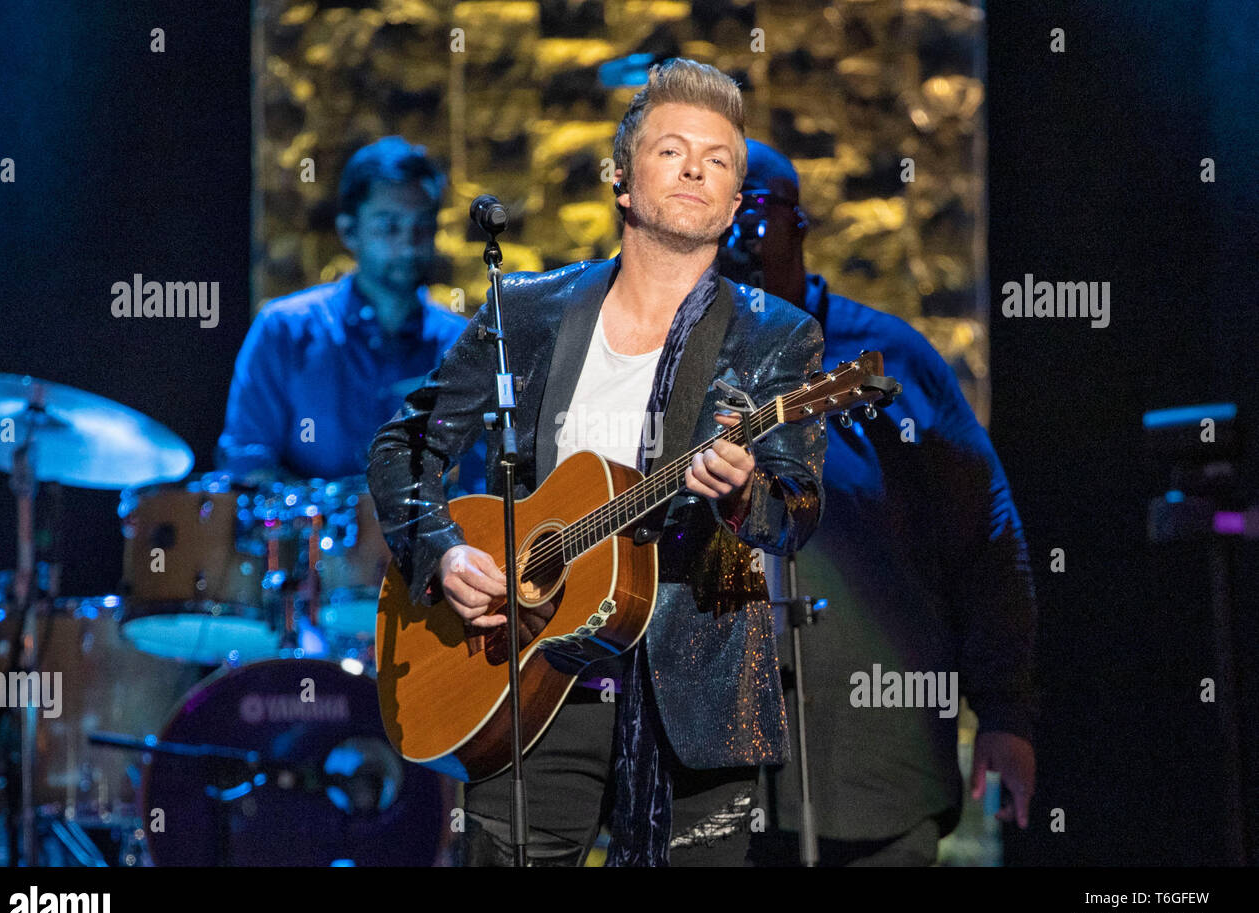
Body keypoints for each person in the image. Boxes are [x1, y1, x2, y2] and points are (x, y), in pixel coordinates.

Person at [367, 60, 826, 866]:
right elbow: (407, 444)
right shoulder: (531, 310)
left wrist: (743, 493)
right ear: (621, 180)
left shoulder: (776, 336)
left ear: (729, 204)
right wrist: (442, 551)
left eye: (718, 161)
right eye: (671, 150)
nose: (695, 168)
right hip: (525, 672)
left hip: (698, 694)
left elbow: (797, 512)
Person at [719, 140, 1038, 866]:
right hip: (721, 786)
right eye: (715, 214)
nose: (734, 233)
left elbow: (987, 533)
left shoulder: (885, 358)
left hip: (876, 775)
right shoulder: (676, 364)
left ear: (800, 227)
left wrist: (1007, 714)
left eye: (755, 211)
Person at [217, 136, 483, 490]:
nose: (409, 243)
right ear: (349, 231)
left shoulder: (461, 344)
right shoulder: (283, 329)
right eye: (388, 226)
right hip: (312, 543)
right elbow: (248, 464)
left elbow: (481, 480)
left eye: (422, 225)